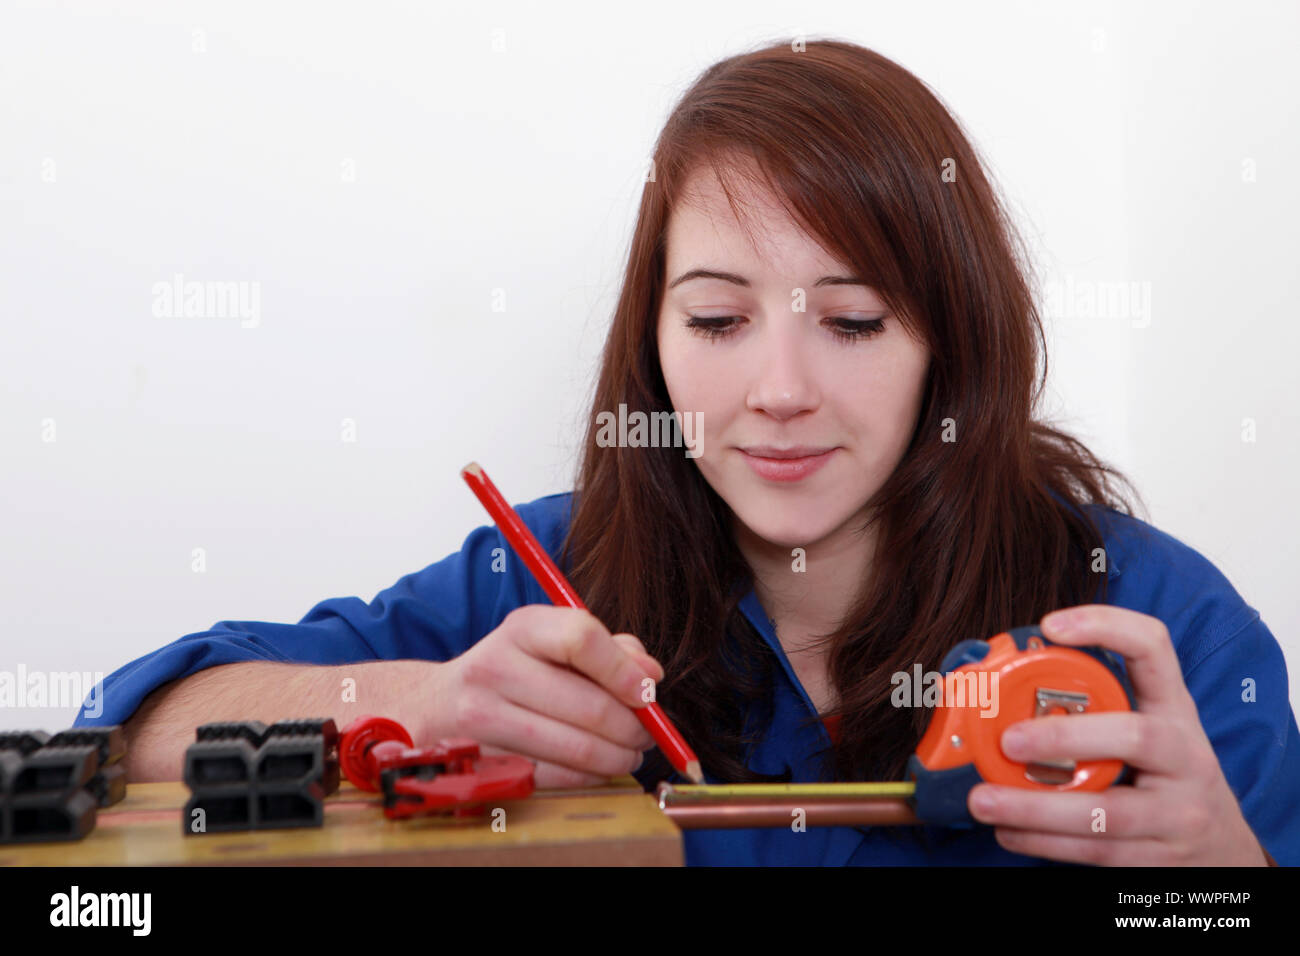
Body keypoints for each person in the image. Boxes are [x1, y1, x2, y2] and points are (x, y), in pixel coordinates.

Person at [76, 37, 1297, 866]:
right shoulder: (549, 572)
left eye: (854, 320)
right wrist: (426, 696)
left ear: (950, 342)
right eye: (716, 318)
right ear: (651, 339)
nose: (775, 390)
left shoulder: (1155, 623)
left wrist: (1218, 881)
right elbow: (131, 722)